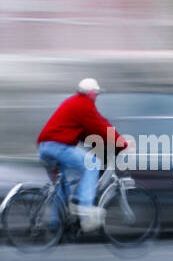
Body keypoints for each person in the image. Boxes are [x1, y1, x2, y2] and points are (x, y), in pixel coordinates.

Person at [36, 78, 129, 232]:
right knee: (92, 164)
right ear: (91, 92)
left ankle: (56, 225)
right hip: (56, 146)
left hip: (46, 147)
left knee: (63, 185)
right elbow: (100, 125)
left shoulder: (74, 102)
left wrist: (99, 144)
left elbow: (86, 132)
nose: (97, 95)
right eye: (96, 92)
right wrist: (122, 142)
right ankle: (84, 209)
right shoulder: (83, 105)